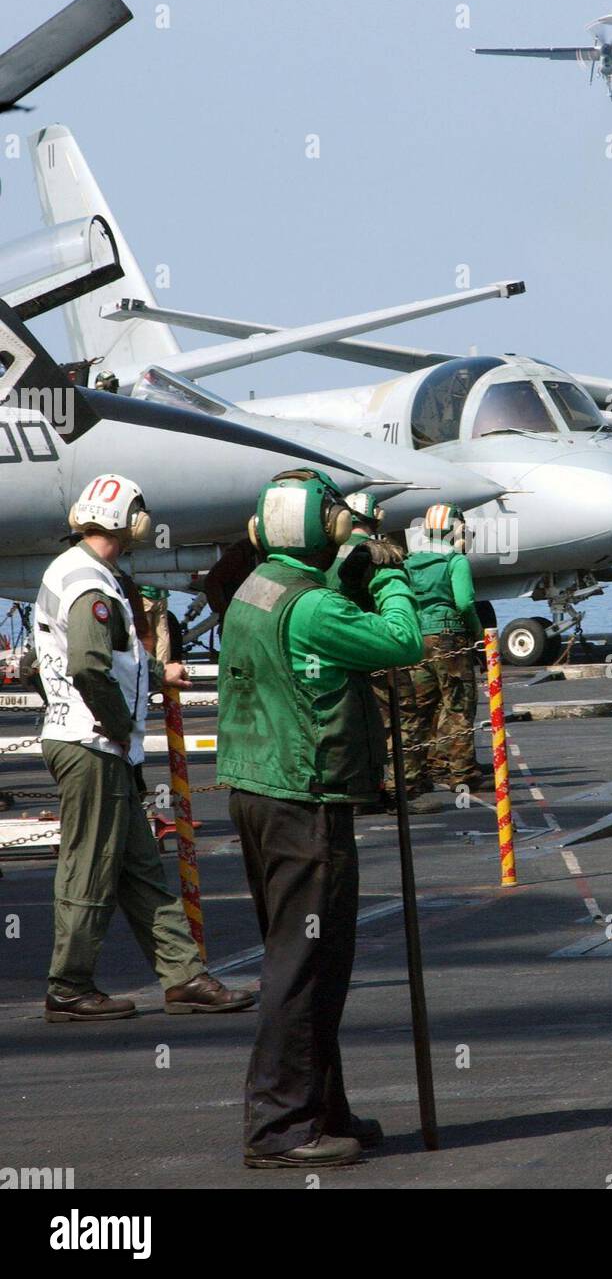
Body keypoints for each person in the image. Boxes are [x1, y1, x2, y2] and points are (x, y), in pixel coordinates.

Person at [216, 468, 423, 1168]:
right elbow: (401, 642)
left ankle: (319, 1106)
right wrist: (390, 575)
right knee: (304, 963)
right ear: (319, 524)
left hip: (259, 793)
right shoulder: (313, 608)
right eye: (336, 513)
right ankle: (279, 1128)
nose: (345, 522)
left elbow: (312, 631)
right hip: (304, 799)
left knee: (310, 958)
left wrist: (344, 573)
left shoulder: (259, 587)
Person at [35, 474, 254, 1023]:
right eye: (140, 511)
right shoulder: (90, 582)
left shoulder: (86, 572)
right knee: (90, 868)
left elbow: (101, 659)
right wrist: (113, 723)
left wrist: (159, 671)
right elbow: (87, 664)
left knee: (138, 868)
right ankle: (68, 986)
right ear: (126, 520)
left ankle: (183, 978)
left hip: (97, 743)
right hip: (92, 744)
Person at [402, 503, 491, 797]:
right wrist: (480, 636)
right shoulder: (456, 561)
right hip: (449, 639)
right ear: (455, 529)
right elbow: (465, 603)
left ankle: (419, 772)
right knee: (458, 705)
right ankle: (463, 774)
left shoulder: (410, 562)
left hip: (417, 639)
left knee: (421, 708)